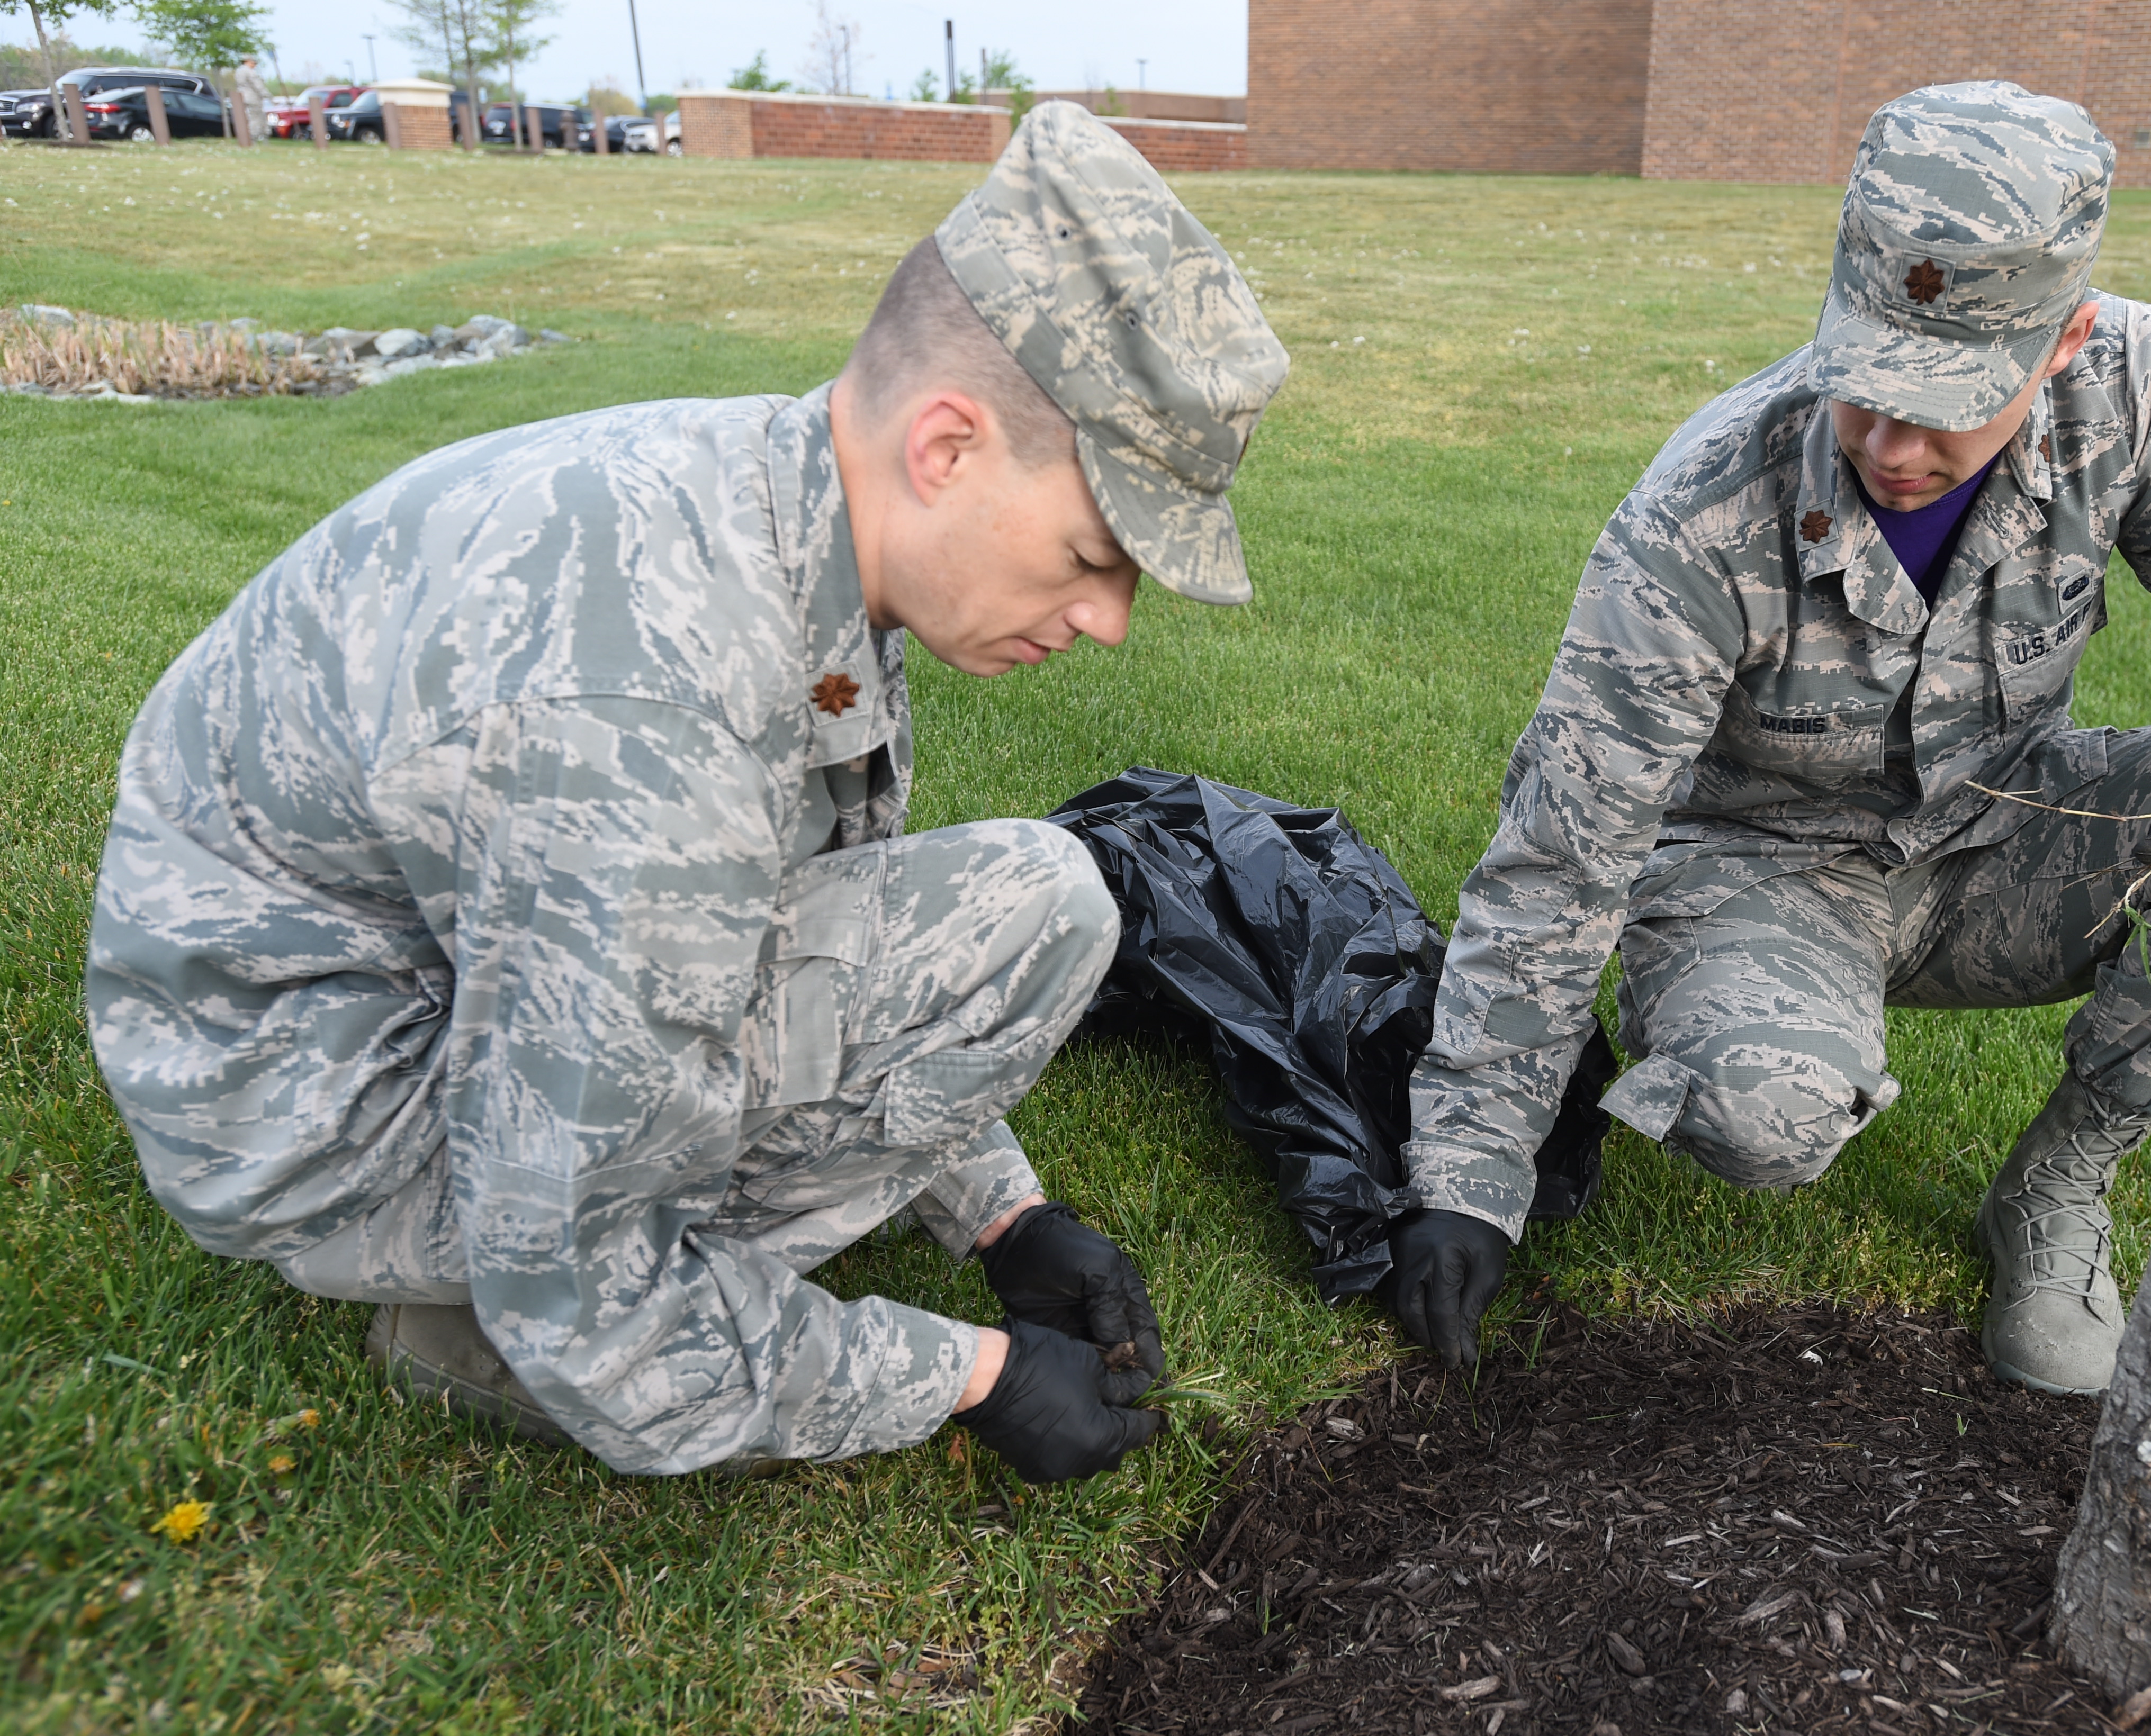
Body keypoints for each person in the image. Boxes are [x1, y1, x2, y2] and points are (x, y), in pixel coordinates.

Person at [84, 104, 1289, 1479]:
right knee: (585, 1296)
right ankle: (470, 1333)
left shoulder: (777, 503)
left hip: (412, 981)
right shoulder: (644, 724)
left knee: (1045, 901)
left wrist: (1003, 1217)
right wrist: (969, 1374)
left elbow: (787, 909)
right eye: (1095, 552)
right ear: (946, 448)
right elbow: (585, 1297)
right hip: (311, 1104)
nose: (1110, 618)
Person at [1385, 82, 2151, 1398]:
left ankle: (2059, 1187)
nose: (1890, 446)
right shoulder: (1704, 509)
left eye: (1946, 404)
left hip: (2012, 826)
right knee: (1762, 1112)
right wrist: (1472, 1176)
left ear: (2065, 343)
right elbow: (1564, 849)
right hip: (1763, 867)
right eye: (1865, 385)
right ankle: (1774, 1027)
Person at [232, 55, 266, 144]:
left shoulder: (238, 71)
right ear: (248, 62)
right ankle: (253, 138)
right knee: (255, 118)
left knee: (244, 118)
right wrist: (266, 95)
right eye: (253, 63)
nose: (254, 65)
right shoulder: (250, 72)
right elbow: (257, 85)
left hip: (241, 97)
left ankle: (243, 137)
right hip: (252, 97)